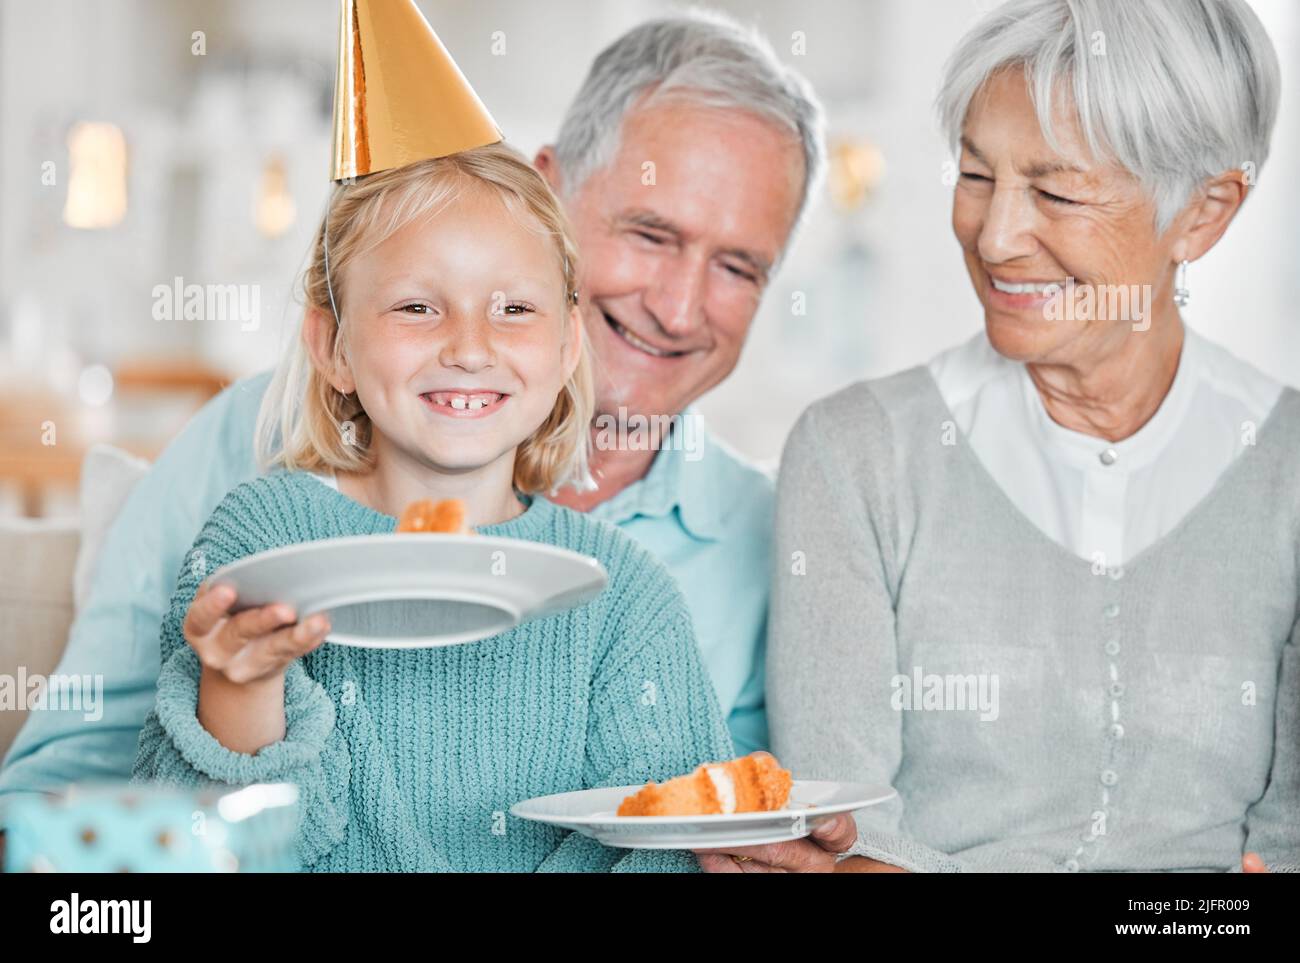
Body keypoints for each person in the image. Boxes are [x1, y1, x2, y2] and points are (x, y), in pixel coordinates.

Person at [758, 0, 1296, 872]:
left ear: (1203, 213)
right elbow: (845, 843)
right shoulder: (854, 454)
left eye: (1056, 190)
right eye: (976, 177)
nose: (997, 237)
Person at [132, 141, 734, 871]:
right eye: (418, 306)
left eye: (514, 308)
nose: (471, 347)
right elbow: (204, 854)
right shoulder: (264, 543)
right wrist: (239, 685)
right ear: (334, 347)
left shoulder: (623, 598)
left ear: (568, 342)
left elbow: (672, 849)